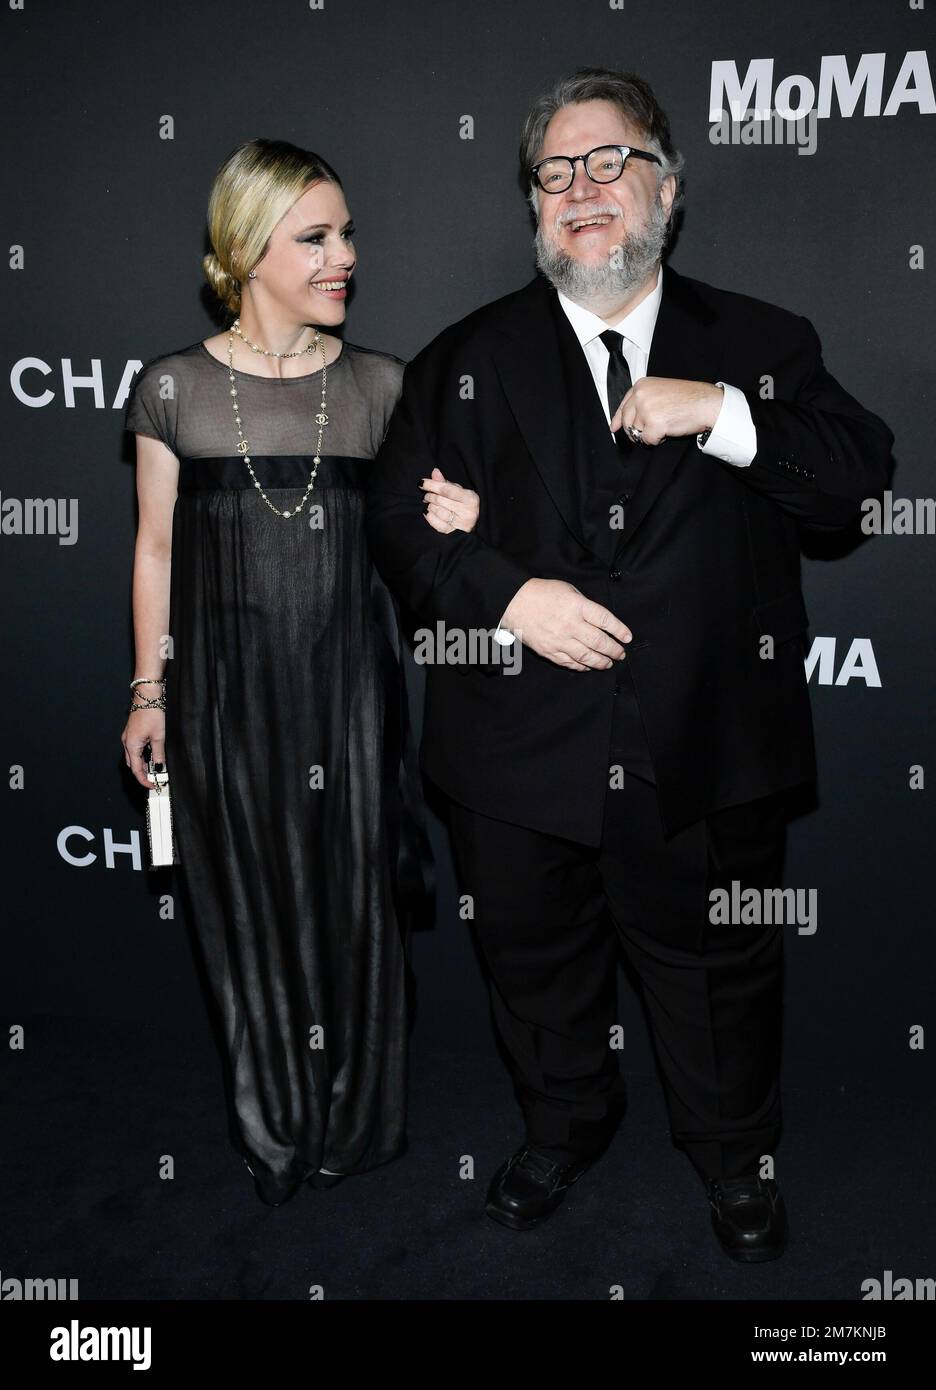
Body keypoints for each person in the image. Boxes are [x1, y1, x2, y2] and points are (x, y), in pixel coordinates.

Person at [364, 68, 893, 1260]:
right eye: (555, 173)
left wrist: (724, 411)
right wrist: (510, 595)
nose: (581, 189)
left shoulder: (760, 342)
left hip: (702, 748)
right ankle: (564, 1125)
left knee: (720, 980)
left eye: (609, 161)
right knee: (535, 973)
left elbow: (860, 477)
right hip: (511, 753)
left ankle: (733, 1157)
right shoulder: (464, 357)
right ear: (533, 207)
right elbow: (395, 522)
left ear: (668, 185)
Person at [121, 137, 478, 1208]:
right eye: (315, 236)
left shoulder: (380, 385)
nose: (345, 257)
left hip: (351, 700)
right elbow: (151, 550)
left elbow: (428, 539)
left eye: (347, 233)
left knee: (357, 906)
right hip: (223, 699)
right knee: (246, 912)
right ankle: (274, 1126)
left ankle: (360, 1124)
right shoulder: (174, 388)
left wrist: (457, 519)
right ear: (246, 248)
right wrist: (149, 691)